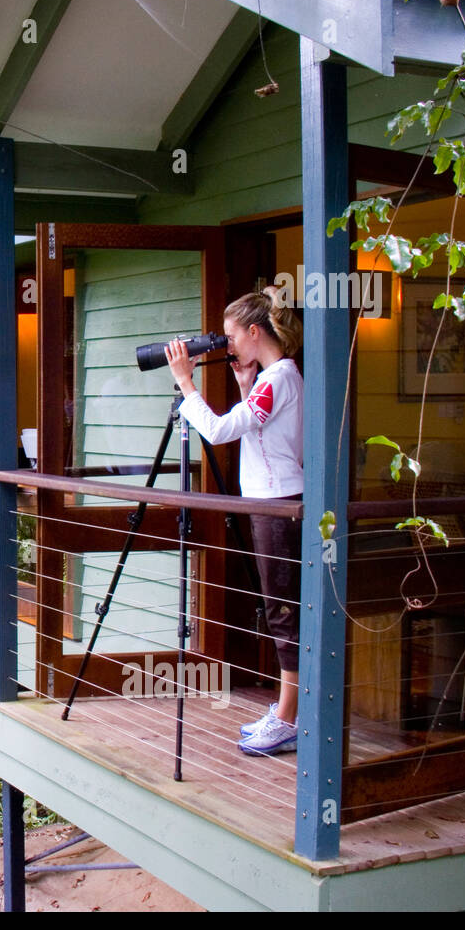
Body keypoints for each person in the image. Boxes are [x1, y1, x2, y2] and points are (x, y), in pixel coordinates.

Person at [165, 287, 303, 756]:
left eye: (231, 335)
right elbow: (263, 431)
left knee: (282, 610)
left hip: (278, 505)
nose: (227, 344)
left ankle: (287, 718)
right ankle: (287, 711)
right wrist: (245, 386)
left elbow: (220, 430)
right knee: (280, 606)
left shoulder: (278, 379)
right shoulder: (276, 378)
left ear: (254, 332)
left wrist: (186, 383)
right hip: (273, 501)